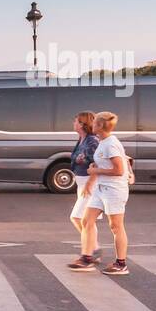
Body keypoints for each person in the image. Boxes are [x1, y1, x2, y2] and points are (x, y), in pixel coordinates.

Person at [69, 110, 131, 275]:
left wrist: (95, 171)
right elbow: (125, 159)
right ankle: (87, 258)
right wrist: (96, 171)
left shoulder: (110, 143)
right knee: (86, 220)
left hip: (114, 190)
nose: (92, 124)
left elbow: (118, 170)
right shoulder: (103, 141)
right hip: (100, 189)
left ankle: (121, 263)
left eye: (94, 122)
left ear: (99, 126)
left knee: (116, 226)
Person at [66, 111, 100, 262]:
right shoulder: (82, 139)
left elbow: (97, 163)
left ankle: (92, 249)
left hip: (89, 184)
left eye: (76, 121)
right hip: (82, 184)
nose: (73, 124)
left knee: (77, 217)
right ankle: (93, 250)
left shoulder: (92, 141)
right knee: (87, 220)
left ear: (82, 124)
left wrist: (90, 183)